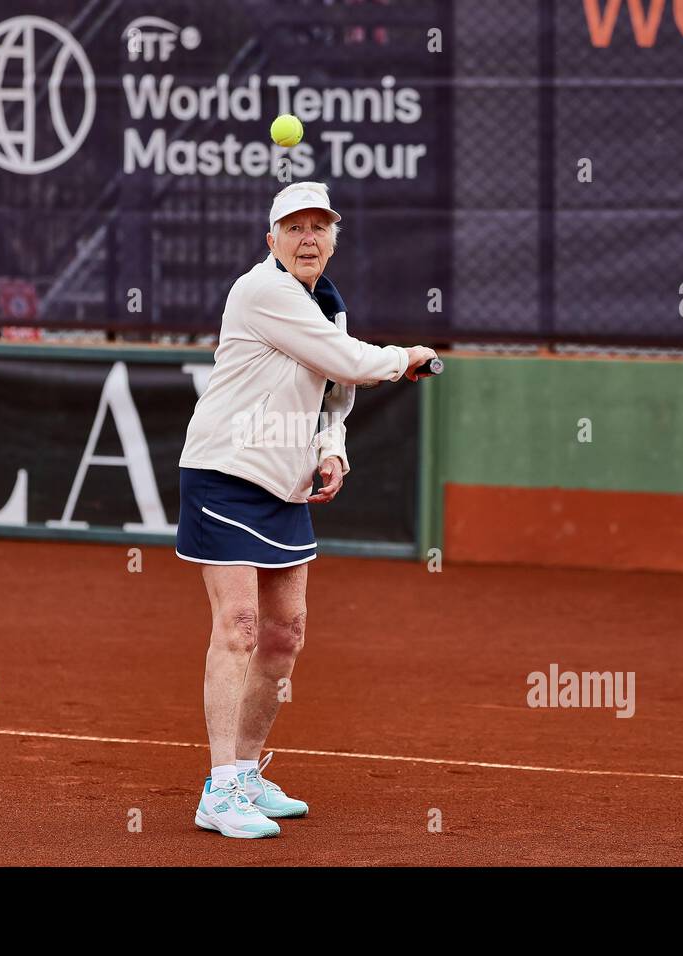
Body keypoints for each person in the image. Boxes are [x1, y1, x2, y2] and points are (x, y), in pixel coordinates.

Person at [175, 181, 438, 838]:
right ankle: (221, 791)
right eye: (294, 228)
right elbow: (346, 363)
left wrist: (332, 449)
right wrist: (405, 359)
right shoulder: (262, 291)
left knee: (284, 636)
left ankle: (244, 770)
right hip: (225, 473)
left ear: (334, 239)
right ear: (272, 241)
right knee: (238, 627)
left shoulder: (326, 305)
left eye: (319, 227)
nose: (308, 238)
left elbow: (330, 394)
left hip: (283, 487)